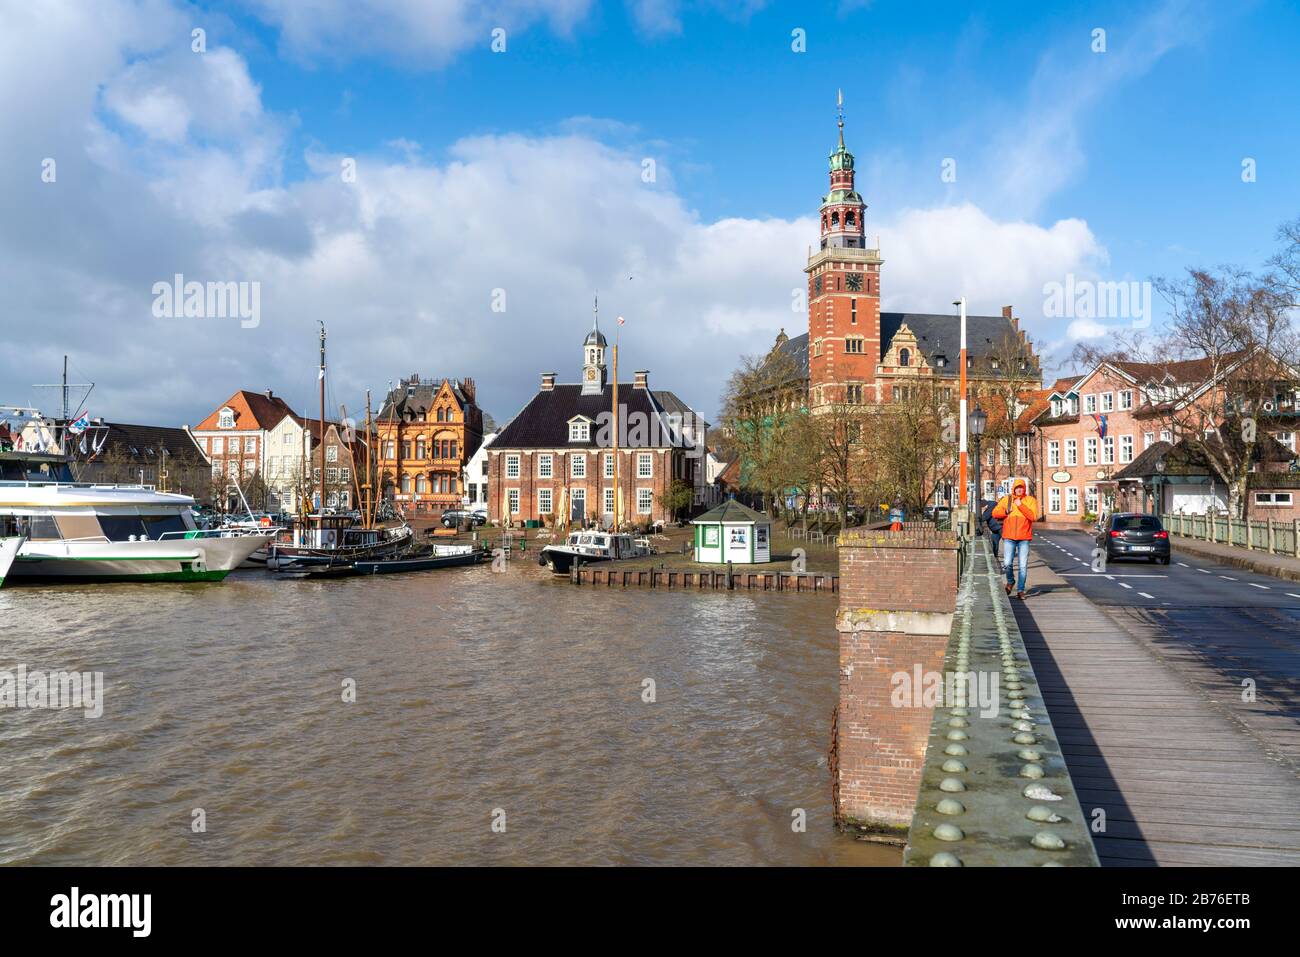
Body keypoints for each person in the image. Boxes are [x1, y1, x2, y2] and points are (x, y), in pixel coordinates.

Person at [992, 479, 1038, 599]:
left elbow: (1033, 516)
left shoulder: (1030, 501)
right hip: (1009, 536)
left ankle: (1021, 590)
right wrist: (1006, 511)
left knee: (1023, 565)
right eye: (1017, 487)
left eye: (1021, 487)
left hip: (1024, 538)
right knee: (1007, 563)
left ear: (1024, 489)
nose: (1019, 489)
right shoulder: (1007, 500)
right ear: (1013, 488)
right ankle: (1011, 581)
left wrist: (1020, 505)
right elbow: (995, 513)